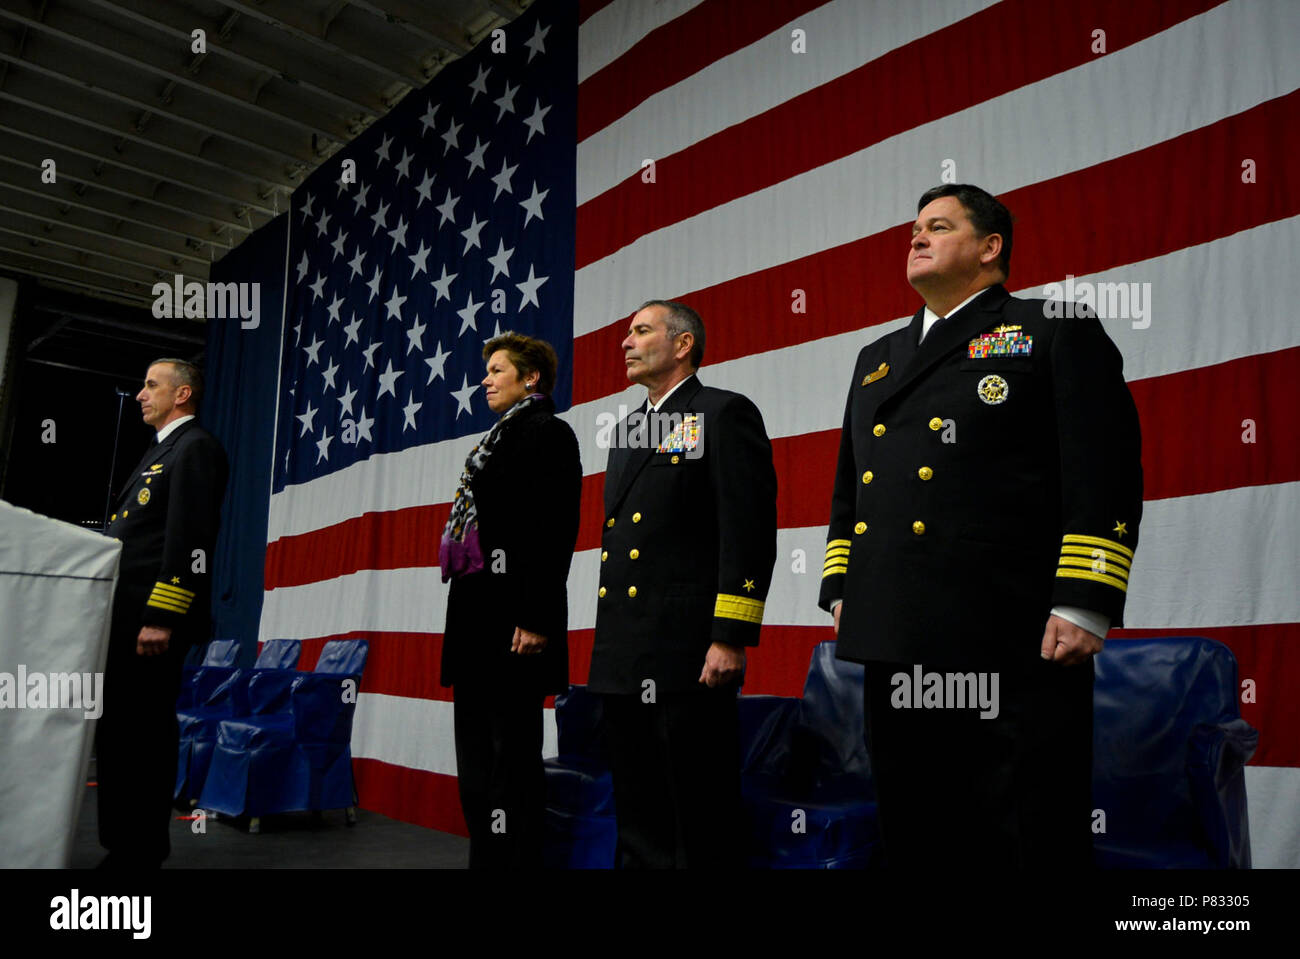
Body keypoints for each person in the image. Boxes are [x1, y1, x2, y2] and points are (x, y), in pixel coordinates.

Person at [819, 184, 1143, 868]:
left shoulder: (1053, 326)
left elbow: (1103, 466)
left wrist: (1085, 596)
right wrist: (845, 585)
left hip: (1009, 631)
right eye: (913, 227)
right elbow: (853, 486)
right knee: (916, 827)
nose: (916, 236)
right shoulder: (875, 357)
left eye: (938, 225)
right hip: (894, 633)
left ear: (990, 248)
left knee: (1020, 828)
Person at [589, 300, 778, 868]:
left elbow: (746, 530)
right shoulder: (625, 432)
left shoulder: (722, 413)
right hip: (625, 651)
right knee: (638, 810)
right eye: (625, 332)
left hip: (686, 650)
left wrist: (730, 635)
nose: (625, 342)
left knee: (697, 812)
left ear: (682, 344)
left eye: (641, 331)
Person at [440, 332, 582, 869]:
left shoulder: (549, 433)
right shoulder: (492, 442)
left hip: (517, 629)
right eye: (487, 371)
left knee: (511, 763)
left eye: (497, 370)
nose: (486, 380)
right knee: (475, 763)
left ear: (531, 378)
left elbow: (553, 532)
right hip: (476, 624)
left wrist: (537, 618)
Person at [98, 358, 228, 868]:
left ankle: (140, 849)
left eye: (152, 384)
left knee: (143, 738)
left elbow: (189, 539)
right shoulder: (160, 452)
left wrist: (163, 617)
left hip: (148, 624)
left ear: (182, 394)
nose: (140, 394)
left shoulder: (195, 448)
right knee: (120, 734)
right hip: (124, 620)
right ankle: (121, 843)